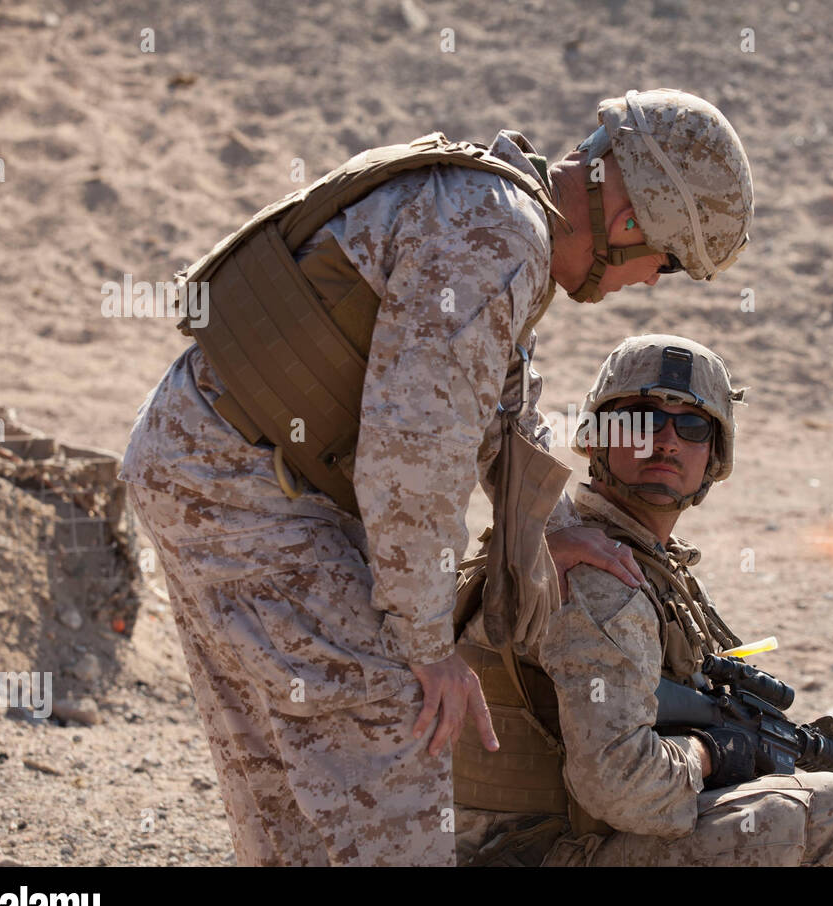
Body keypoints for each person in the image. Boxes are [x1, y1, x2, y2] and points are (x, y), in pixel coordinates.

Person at [120, 90, 753, 865]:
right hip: (241, 486)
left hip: (206, 462)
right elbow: (412, 460)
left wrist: (561, 532)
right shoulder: (496, 236)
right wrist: (426, 649)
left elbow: (502, 424)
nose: (653, 282)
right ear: (631, 224)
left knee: (285, 785)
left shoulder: (491, 214)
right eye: (667, 261)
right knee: (401, 745)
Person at [453, 335, 833, 866]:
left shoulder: (640, 559)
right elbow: (622, 787)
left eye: (693, 427)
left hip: (524, 845)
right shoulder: (603, 574)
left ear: (713, 457)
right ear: (597, 440)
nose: (667, 441)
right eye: (641, 420)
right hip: (528, 853)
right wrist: (711, 752)